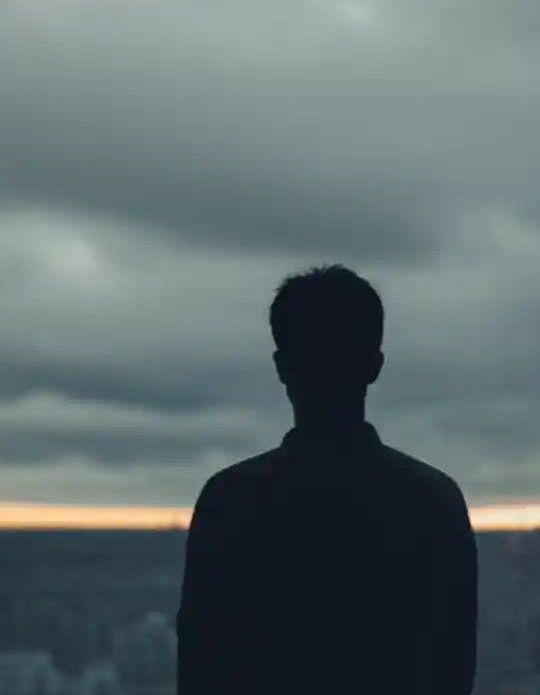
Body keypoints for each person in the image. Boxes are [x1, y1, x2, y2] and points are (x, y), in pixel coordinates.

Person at [177, 264, 477, 695]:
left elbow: (201, 671)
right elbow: (453, 670)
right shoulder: (433, 501)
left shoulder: (231, 500)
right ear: (375, 366)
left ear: (282, 367)